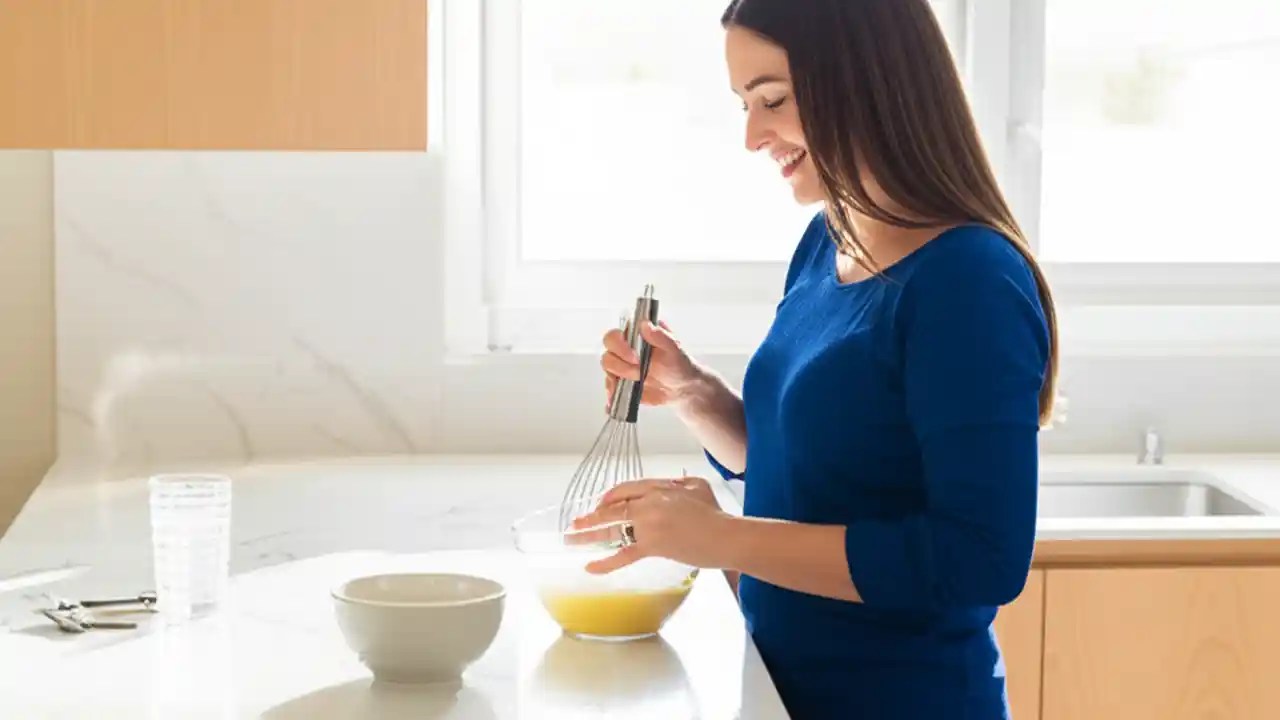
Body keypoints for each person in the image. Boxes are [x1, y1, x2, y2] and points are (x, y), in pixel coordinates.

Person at [574, 0, 1059, 717]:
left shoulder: (969, 280)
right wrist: (693, 393)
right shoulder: (828, 241)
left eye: (772, 100)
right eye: (743, 105)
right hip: (787, 693)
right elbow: (818, 477)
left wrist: (724, 538)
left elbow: (979, 558)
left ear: (867, 79)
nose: (751, 136)